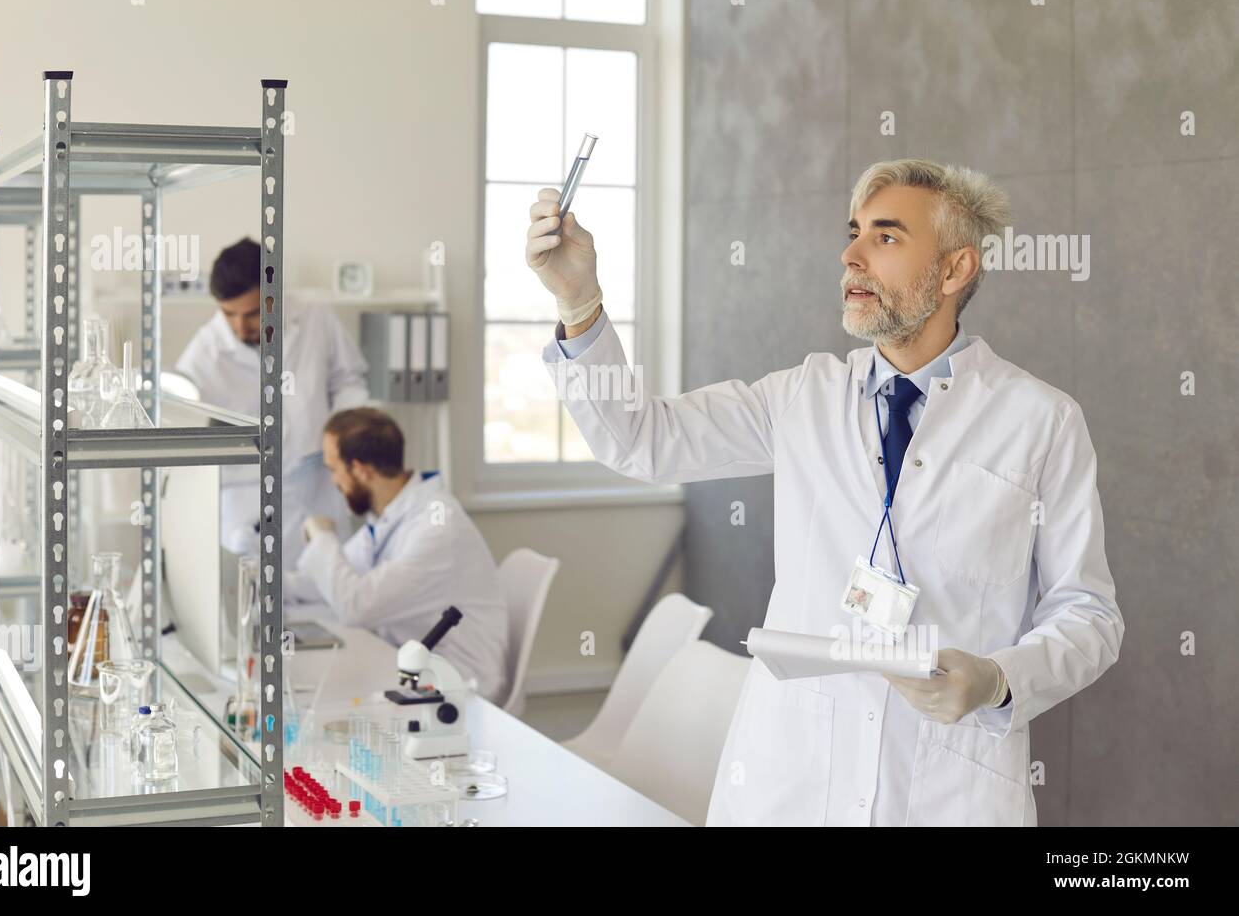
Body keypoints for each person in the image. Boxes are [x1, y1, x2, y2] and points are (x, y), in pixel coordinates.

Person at [525, 159, 1124, 826]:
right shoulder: (801, 397)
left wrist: (999, 678)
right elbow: (643, 441)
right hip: (792, 781)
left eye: (886, 238)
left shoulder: (1040, 421)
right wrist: (579, 304)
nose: (850, 255)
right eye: (854, 232)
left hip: (945, 787)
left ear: (955, 270)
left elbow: (1089, 614)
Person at [174, 237, 372, 568]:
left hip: (317, 486)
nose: (240, 327)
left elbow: (348, 381)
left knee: (333, 597)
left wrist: (342, 436)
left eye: (252, 314)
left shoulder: (315, 318)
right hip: (245, 500)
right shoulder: (206, 350)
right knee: (252, 604)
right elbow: (182, 419)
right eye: (229, 314)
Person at [294, 407, 509, 704]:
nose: (333, 482)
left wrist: (322, 537)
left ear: (361, 470)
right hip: (410, 666)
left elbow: (355, 606)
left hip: (458, 684)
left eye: (334, 469)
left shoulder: (437, 526)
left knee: (323, 699)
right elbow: (327, 582)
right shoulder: (389, 515)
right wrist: (262, 581)